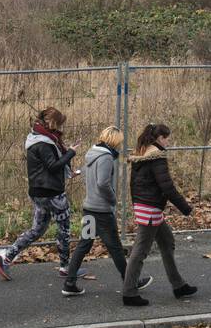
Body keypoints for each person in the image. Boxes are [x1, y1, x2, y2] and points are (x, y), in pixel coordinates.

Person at [61, 126, 151, 296]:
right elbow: (103, 183)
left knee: (84, 244)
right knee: (115, 247)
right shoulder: (106, 157)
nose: (120, 145)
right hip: (101, 211)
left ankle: (69, 283)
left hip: (88, 208)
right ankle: (131, 282)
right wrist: (112, 199)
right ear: (114, 141)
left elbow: (87, 177)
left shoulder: (90, 154)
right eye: (119, 142)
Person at [0, 107, 79, 280]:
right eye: (59, 124)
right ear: (52, 122)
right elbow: (53, 166)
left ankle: (7, 257)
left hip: (38, 192)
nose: (60, 128)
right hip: (52, 193)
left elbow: (48, 167)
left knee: (37, 230)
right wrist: (71, 152)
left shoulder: (36, 138)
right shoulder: (44, 143)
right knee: (64, 228)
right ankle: (65, 267)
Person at [122, 123, 197, 307]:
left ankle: (178, 285)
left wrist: (137, 206)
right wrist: (186, 208)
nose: (169, 141)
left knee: (167, 242)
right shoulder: (157, 157)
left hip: (145, 206)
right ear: (159, 138)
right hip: (151, 209)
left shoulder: (142, 154)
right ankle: (129, 292)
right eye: (167, 137)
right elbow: (167, 187)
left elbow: (134, 185)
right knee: (140, 250)